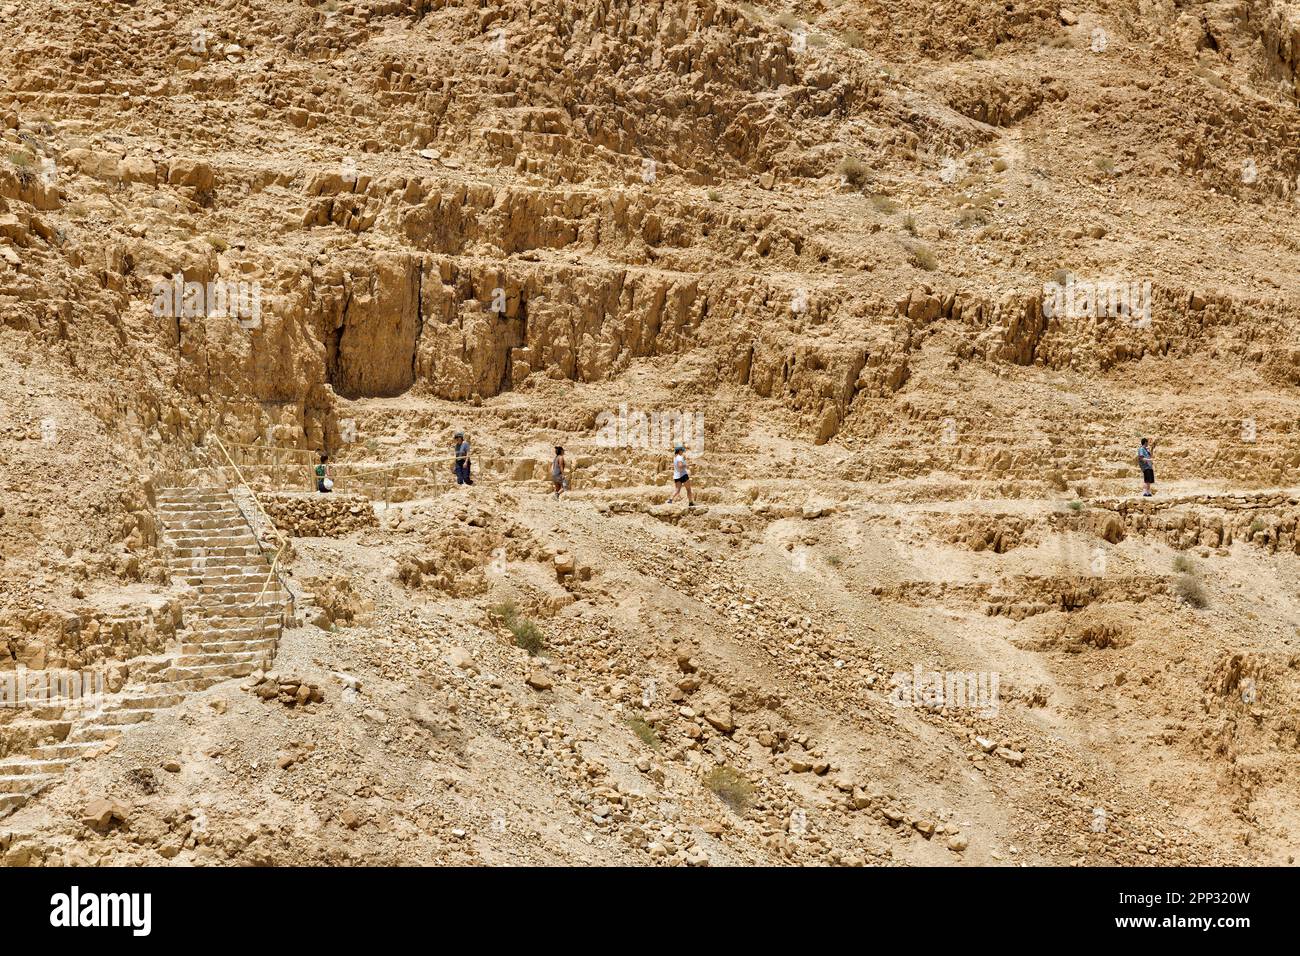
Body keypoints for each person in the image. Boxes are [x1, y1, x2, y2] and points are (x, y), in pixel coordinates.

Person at [666, 443, 695, 507]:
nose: (682, 452)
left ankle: (670, 500)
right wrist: (689, 465)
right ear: (679, 451)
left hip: (676, 476)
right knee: (688, 489)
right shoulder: (679, 457)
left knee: (677, 490)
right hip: (683, 475)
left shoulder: (675, 457)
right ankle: (690, 502)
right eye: (682, 450)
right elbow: (680, 465)